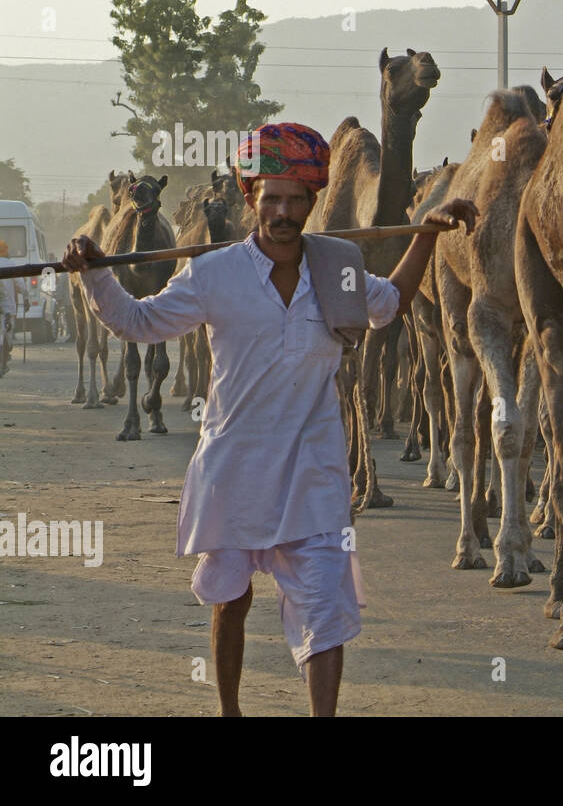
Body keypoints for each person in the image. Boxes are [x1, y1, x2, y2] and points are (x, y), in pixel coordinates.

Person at [63, 122, 477, 716]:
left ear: (312, 203)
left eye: (295, 199)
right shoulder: (214, 274)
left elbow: (389, 304)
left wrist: (429, 237)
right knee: (231, 602)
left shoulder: (338, 269)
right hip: (235, 471)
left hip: (314, 475)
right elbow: (137, 322)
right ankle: (230, 710)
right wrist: (95, 273)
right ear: (251, 198)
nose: (282, 211)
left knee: (325, 613)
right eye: (271, 198)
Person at [0, 240, 15, 377]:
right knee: (6, 337)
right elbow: (20, 284)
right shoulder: (11, 264)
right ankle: (3, 364)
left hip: (4, 309)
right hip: (7, 309)